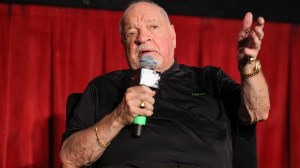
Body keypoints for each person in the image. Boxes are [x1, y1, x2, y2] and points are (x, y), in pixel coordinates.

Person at [60, 0, 270, 167]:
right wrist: (118, 118)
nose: (143, 38)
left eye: (153, 27)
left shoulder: (209, 79)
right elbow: (69, 159)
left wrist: (249, 64)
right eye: (132, 33)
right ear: (124, 44)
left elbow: (257, 111)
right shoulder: (103, 87)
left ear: (173, 36)